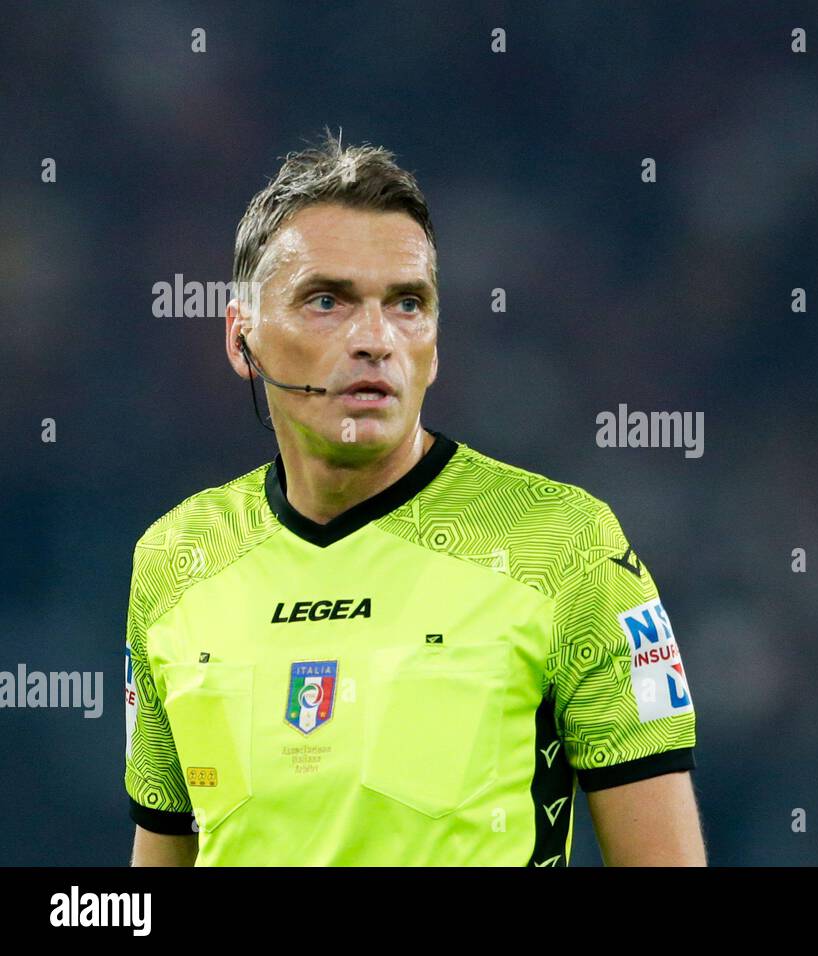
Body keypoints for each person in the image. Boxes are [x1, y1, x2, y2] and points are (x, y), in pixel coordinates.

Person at [124, 131, 704, 866]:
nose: (375, 338)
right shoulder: (177, 561)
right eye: (326, 300)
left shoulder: (562, 545)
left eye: (406, 303)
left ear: (435, 340)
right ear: (244, 339)